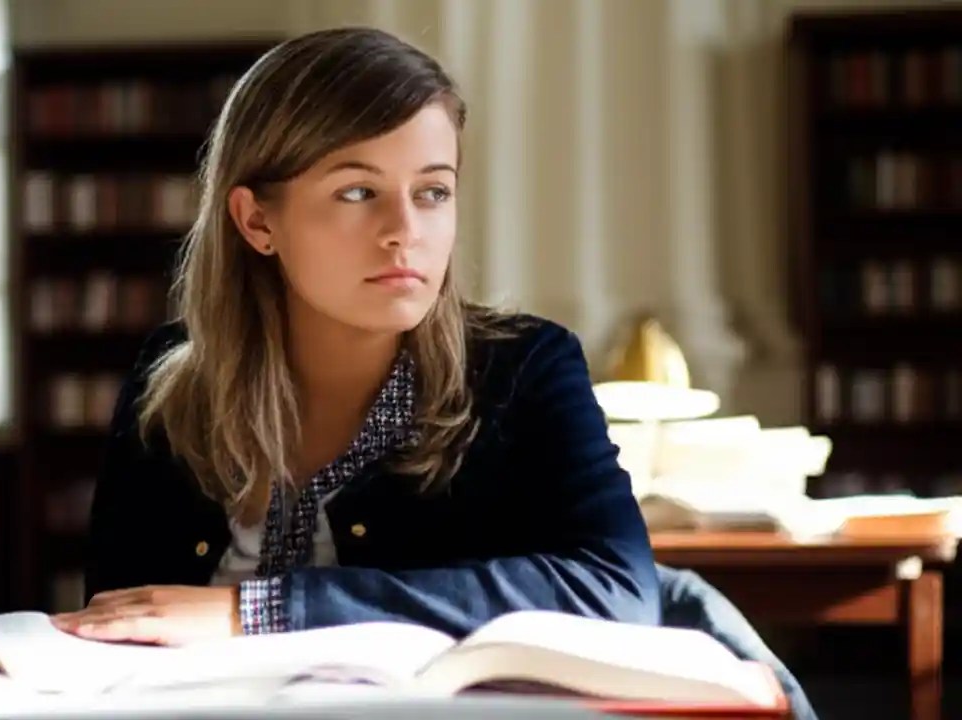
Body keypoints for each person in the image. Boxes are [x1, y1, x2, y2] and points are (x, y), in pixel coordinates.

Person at [50, 26, 659, 647]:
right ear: (258, 220)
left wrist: (259, 610)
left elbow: (615, 590)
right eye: (358, 192)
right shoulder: (169, 383)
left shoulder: (526, 368)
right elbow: (117, 620)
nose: (405, 230)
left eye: (432, 192)